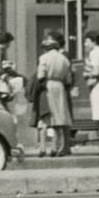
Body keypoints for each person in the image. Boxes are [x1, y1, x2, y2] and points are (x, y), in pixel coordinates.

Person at [36, 30, 73, 158]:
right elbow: (69, 79)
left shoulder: (44, 58)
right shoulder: (64, 60)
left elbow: (40, 75)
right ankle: (54, 147)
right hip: (60, 87)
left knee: (44, 118)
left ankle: (42, 148)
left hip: (47, 86)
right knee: (58, 119)